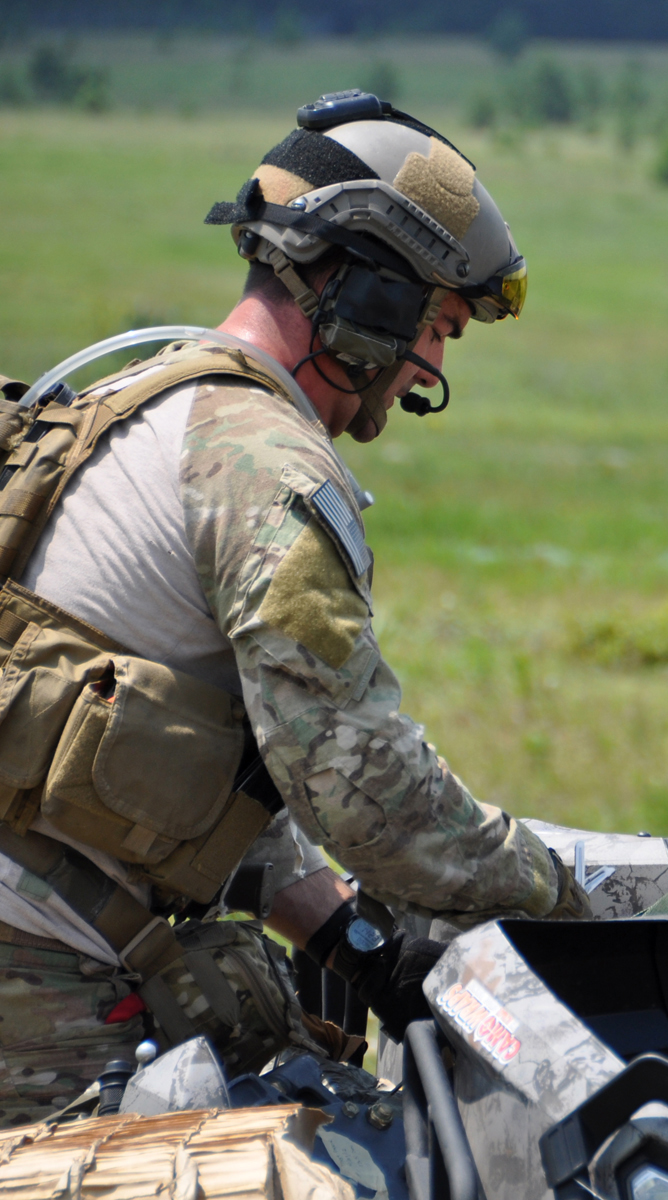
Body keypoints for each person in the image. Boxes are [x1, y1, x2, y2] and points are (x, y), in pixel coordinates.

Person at [0, 91, 586, 1125]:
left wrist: (343, 937)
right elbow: (362, 786)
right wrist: (560, 893)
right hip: (45, 980)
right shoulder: (263, 460)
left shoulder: (144, 399)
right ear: (365, 297)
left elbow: (164, 752)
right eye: (436, 329)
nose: (429, 373)